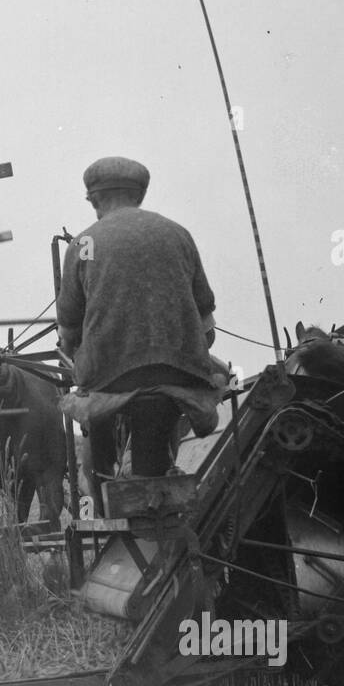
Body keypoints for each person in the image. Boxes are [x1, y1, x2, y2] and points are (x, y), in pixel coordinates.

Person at [57, 157, 218, 505]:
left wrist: (77, 356)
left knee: (91, 411)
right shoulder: (178, 233)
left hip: (109, 377)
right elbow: (206, 316)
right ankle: (164, 471)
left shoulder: (84, 243)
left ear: (95, 200)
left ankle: (102, 495)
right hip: (178, 370)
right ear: (140, 194)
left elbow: (69, 327)